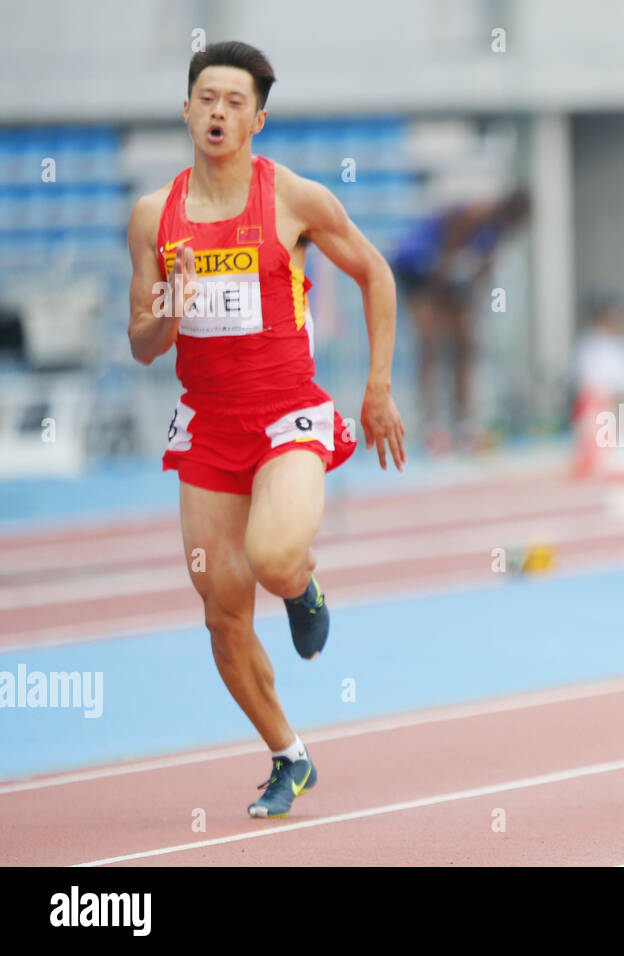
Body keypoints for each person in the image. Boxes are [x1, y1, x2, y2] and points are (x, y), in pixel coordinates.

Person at [126, 41, 406, 818]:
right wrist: (167, 314)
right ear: (187, 110)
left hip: (287, 414)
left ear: (258, 117)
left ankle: (301, 583)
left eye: (234, 101)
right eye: (206, 98)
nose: (218, 112)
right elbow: (141, 344)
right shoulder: (155, 215)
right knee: (221, 611)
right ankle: (289, 753)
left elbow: (376, 272)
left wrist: (376, 385)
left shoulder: (290, 197)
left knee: (274, 557)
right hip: (209, 428)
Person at [392, 190, 528, 453]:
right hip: (414, 268)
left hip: (445, 278)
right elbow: (441, 261)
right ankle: (431, 425)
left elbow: (481, 275)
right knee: (430, 343)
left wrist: (466, 312)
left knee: (466, 344)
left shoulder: (499, 232)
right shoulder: (473, 214)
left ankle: (465, 423)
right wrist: (447, 303)